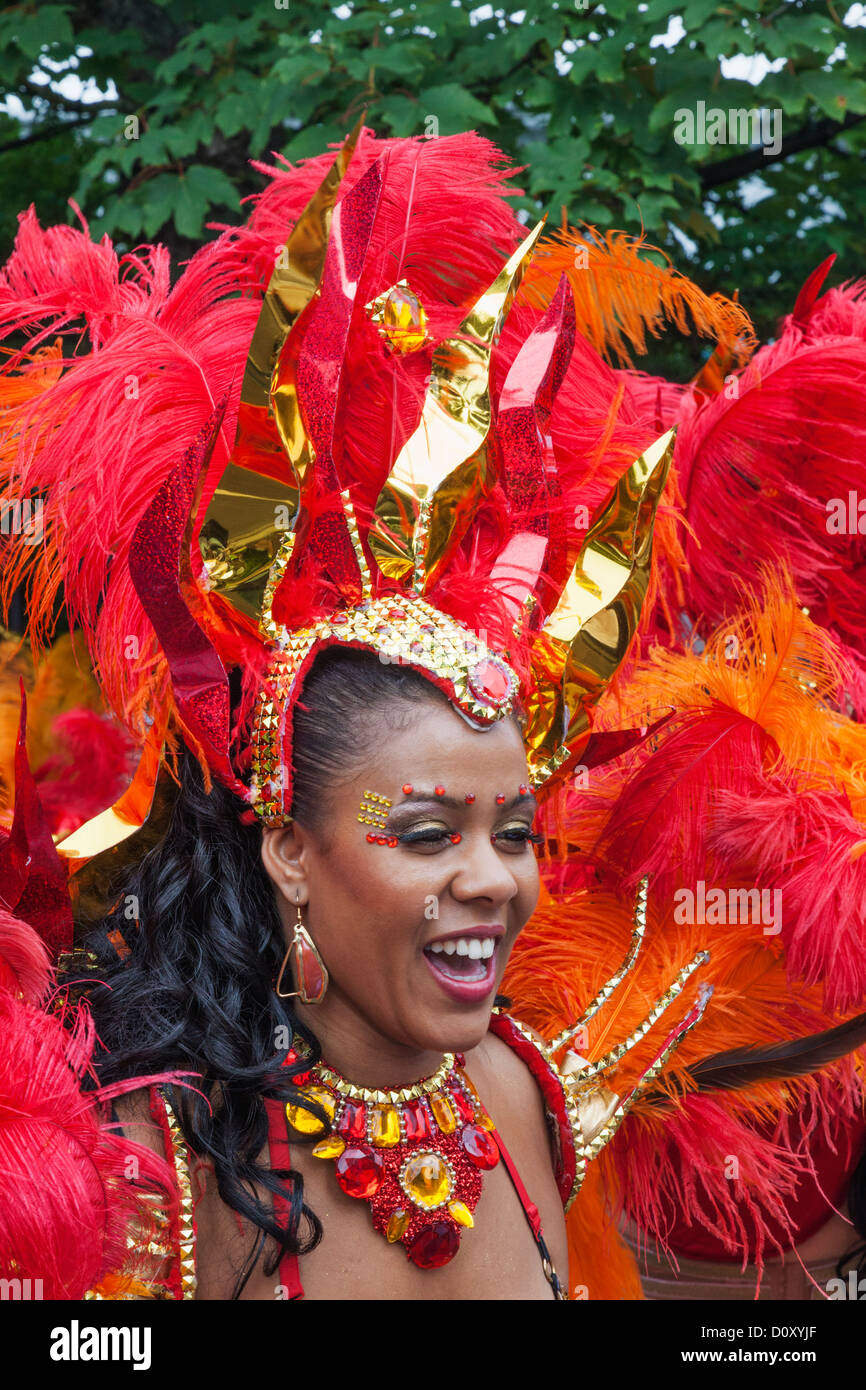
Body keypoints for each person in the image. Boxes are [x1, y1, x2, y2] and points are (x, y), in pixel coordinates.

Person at [2, 125, 866, 1303]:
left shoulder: (524, 1090)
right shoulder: (153, 1176)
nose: (494, 880)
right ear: (290, 853)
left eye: (511, 829)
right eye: (424, 832)